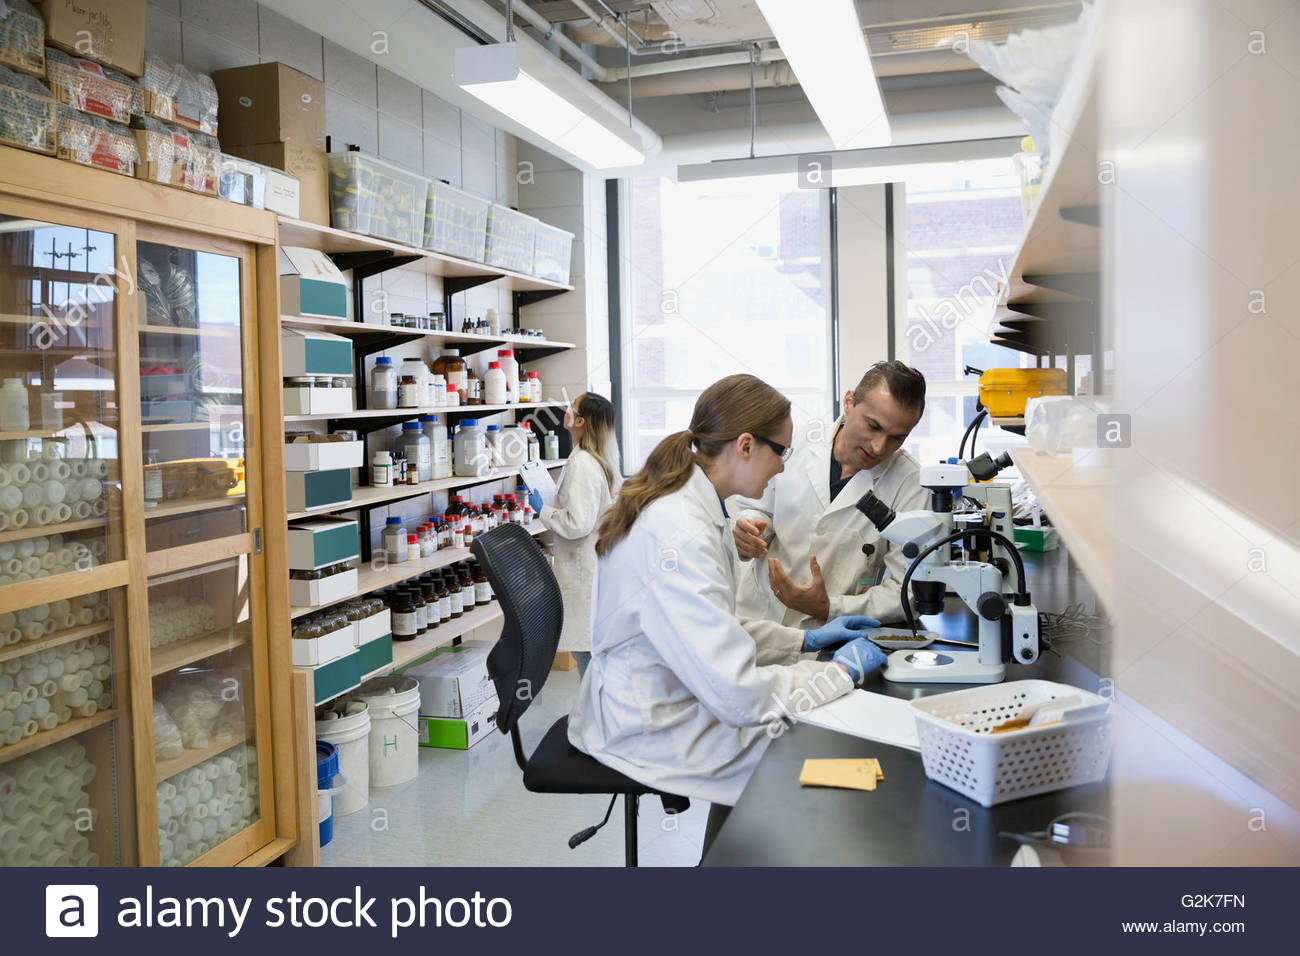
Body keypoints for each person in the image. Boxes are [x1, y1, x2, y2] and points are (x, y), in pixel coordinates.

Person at [568, 374, 887, 823]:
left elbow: (718, 627)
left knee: (808, 742)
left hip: (663, 693)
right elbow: (739, 696)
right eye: (781, 452)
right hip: (648, 726)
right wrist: (838, 673)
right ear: (744, 445)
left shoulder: (694, 503)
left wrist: (805, 644)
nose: (782, 467)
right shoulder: (683, 533)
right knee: (819, 764)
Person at [732, 361, 929, 651]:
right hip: (757, 624)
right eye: (873, 426)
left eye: (896, 438)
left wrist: (831, 607)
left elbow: (908, 590)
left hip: (831, 638)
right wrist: (750, 529)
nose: (878, 447)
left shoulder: (911, 483)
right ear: (849, 402)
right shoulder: (792, 441)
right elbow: (756, 507)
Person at [527, 393, 621, 678]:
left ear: (580, 421)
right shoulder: (594, 459)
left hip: (584, 572)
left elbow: (578, 522)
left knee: (587, 658)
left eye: (572, 407)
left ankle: (595, 720)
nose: (566, 410)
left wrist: (544, 511)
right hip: (593, 568)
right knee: (592, 658)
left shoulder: (583, 464)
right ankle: (598, 718)